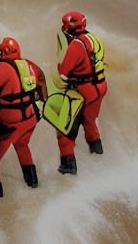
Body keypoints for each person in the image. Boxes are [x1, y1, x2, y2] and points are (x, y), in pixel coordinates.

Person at [0, 37, 46, 194]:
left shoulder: (2, 69)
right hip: (30, 118)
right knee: (22, 146)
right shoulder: (27, 65)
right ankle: (33, 182)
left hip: (12, 122)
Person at [56, 11, 107, 175]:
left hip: (84, 90)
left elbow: (63, 76)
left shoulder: (76, 45)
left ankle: (68, 167)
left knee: (65, 129)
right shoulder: (94, 39)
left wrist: (59, 68)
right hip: (100, 86)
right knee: (90, 122)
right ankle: (98, 157)